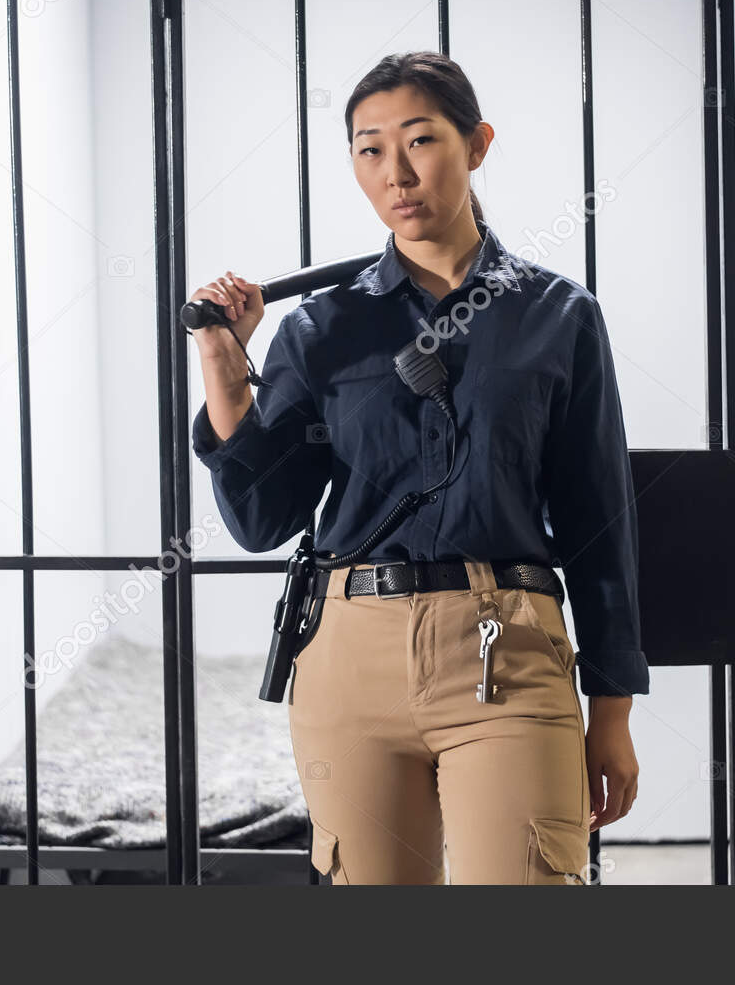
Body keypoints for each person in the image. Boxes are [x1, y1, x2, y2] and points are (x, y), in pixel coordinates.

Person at [188, 51, 646, 885]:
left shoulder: (558, 315)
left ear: (477, 144)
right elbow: (261, 519)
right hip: (348, 663)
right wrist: (225, 369)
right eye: (369, 150)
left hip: (508, 653)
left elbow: (599, 519)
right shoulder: (322, 328)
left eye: (420, 140)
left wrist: (610, 708)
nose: (395, 173)